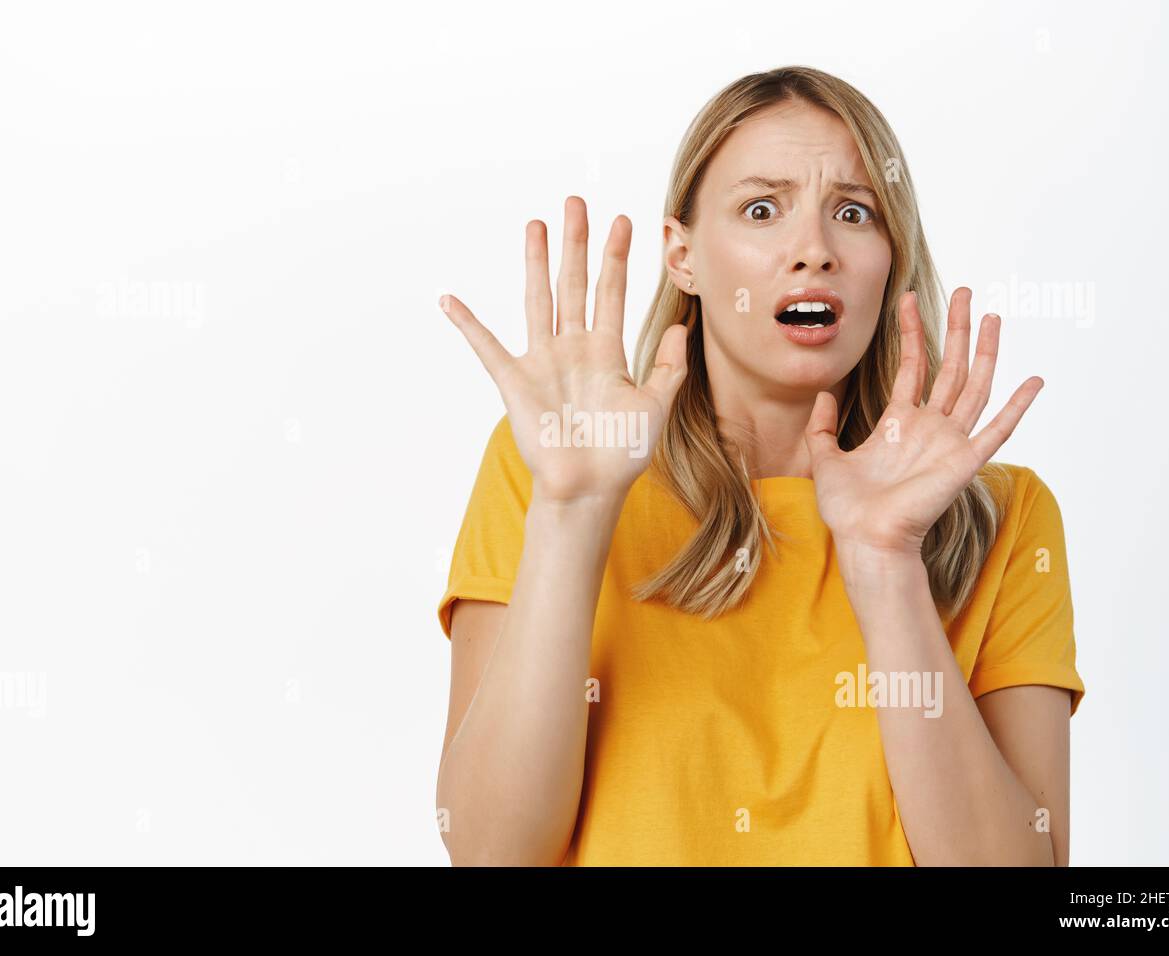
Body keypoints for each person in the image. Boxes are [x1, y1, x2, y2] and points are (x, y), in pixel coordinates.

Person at [432, 66, 1084, 866]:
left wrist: (884, 565)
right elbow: (491, 854)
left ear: (892, 258)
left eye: (853, 212)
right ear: (683, 258)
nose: (813, 250)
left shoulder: (1003, 516)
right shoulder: (551, 467)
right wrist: (574, 510)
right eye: (762, 209)